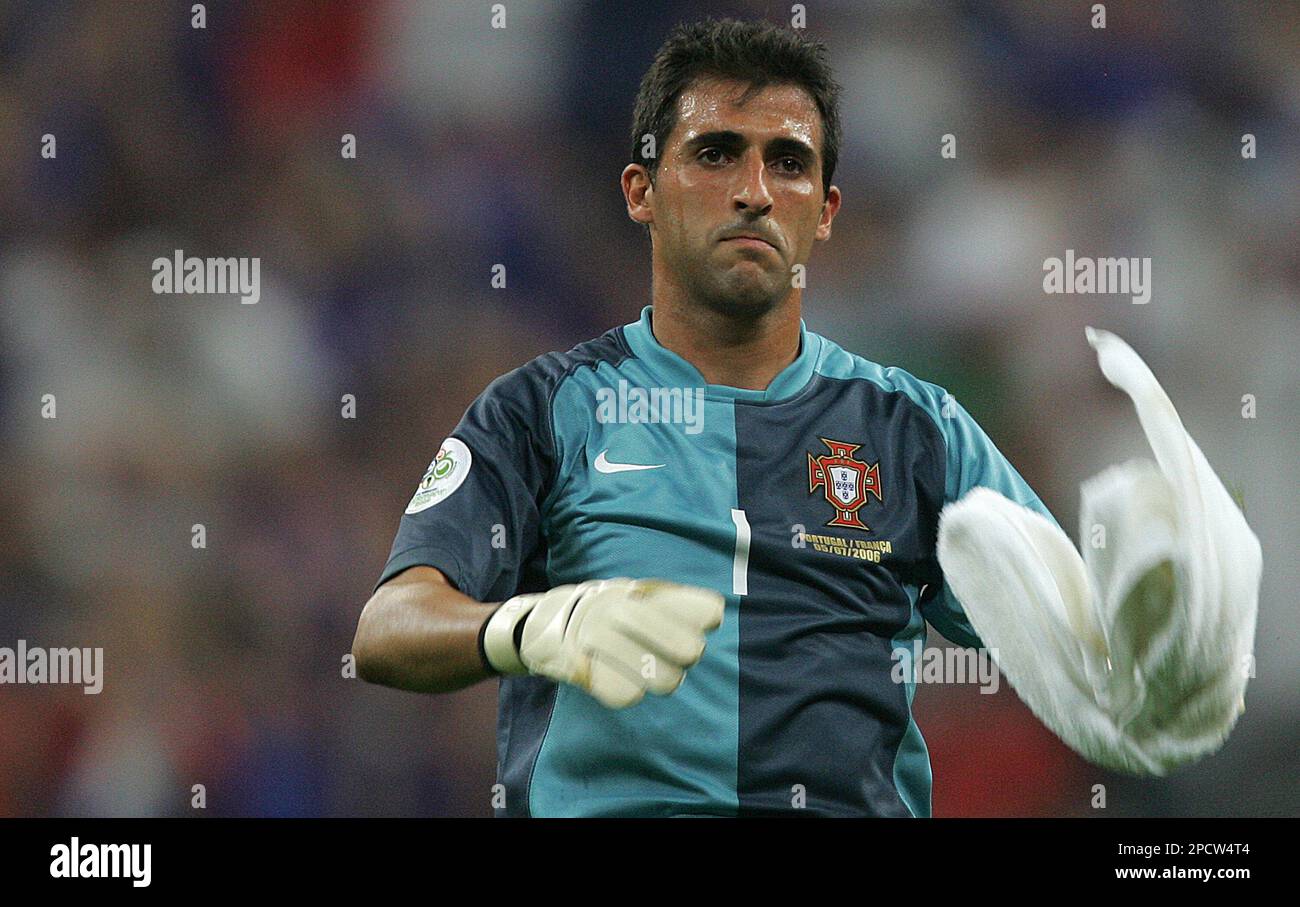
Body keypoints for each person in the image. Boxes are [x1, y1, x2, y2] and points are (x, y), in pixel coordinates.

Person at [352, 17, 1055, 817]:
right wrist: (531, 625)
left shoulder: (916, 429)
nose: (754, 190)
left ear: (823, 212)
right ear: (640, 191)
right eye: (715, 152)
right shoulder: (541, 411)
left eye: (787, 163)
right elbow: (387, 628)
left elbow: (1075, 638)